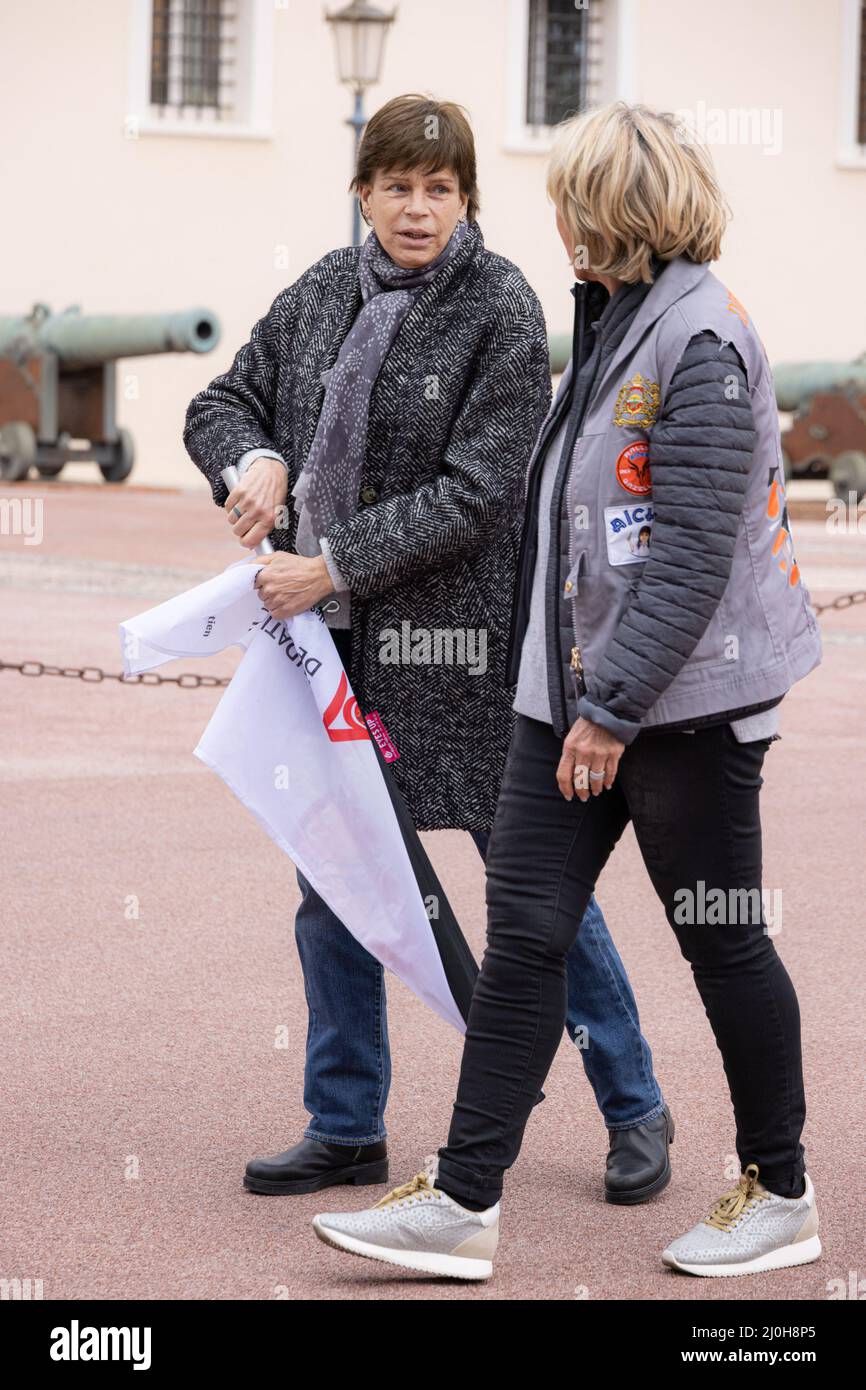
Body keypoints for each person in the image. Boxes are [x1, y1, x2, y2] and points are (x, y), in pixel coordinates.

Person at [313, 101, 823, 1281]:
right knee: (528, 932)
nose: (550, 219)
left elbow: (690, 555)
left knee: (722, 941)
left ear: (614, 213)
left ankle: (779, 1190)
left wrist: (607, 712)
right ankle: (461, 1200)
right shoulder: (615, 317)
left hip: (678, 710)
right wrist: (568, 698)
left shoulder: (693, 337)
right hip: (573, 695)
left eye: (568, 201)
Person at [183, 95, 672, 1208]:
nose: (417, 207)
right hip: (337, 658)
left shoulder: (499, 307)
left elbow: (478, 489)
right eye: (397, 185)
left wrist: (331, 561)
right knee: (335, 884)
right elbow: (222, 398)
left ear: (465, 201)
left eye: (439, 189)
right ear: (363, 190)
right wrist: (251, 460)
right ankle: (344, 1121)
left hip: (471, 659)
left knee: (536, 895)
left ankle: (634, 1105)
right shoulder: (318, 290)